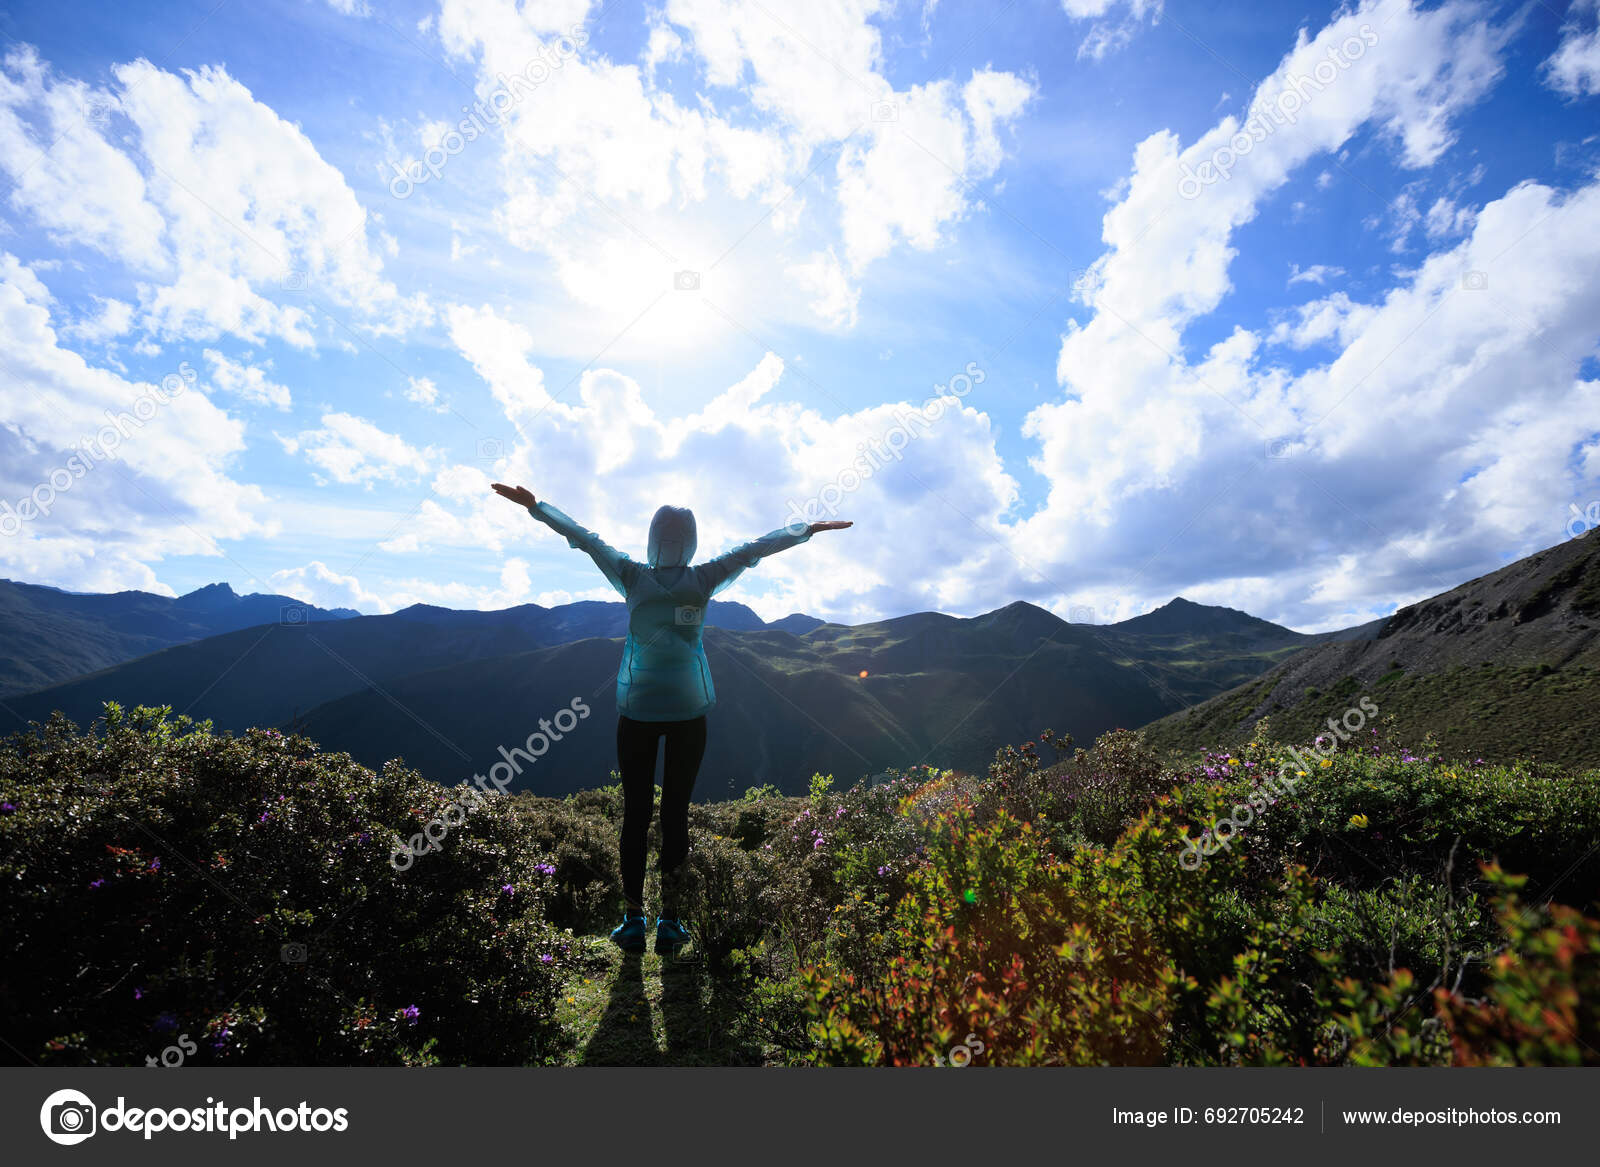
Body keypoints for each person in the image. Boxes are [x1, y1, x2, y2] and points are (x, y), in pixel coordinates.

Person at [491, 483, 851, 955]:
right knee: (675, 814)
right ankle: (671, 921)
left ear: (651, 539)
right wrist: (806, 531)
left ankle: (633, 919)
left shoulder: (631, 576)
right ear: (693, 541)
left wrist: (537, 508)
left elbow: (584, 539)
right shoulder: (704, 578)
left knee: (635, 815)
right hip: (689, 712)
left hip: (636, 710)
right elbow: (756, 550)